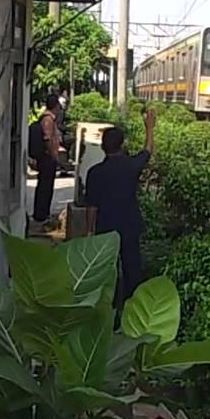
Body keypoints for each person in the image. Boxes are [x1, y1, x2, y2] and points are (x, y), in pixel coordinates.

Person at [85, 107, 156, 305]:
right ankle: (132, 308)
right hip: (130, 226)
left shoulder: (95, 173)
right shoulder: (131, 166)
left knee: (107, 271)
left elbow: (92, 206)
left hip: (105, 229)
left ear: (102, 147)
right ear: (122, 144)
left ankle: (108, 308)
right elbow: (148, 150)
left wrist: (89, 231)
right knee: (132, 269)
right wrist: (149, 128)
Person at [30, 94, 63, 227]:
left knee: (46, 186)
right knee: (45, 187)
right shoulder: (48, 120)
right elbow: (47, 139)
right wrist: (53, 155)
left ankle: (43, 213)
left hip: (47, 157)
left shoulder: (48, 119)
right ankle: (41, 215)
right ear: (55, 107)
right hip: (46, 158)